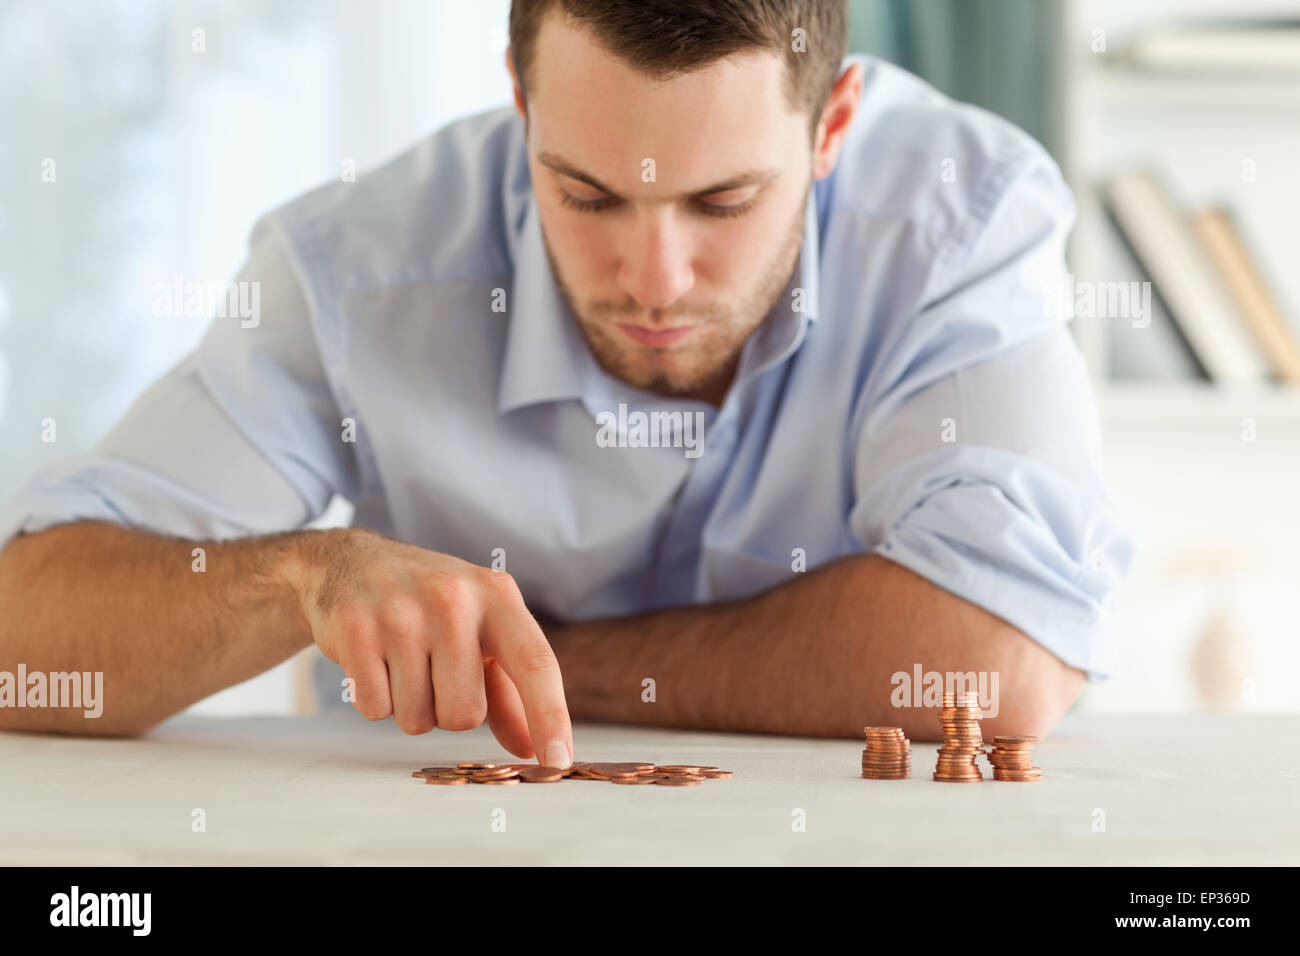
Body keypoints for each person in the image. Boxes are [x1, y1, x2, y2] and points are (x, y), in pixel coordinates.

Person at [0, 0, 1133, 763]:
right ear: (521, 99)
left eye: (723, 202)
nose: (653, 280)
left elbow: (999, 651)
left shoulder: (956, 216)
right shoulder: (362, 267)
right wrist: (305, 574)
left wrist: (524, 667)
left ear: (831, 125)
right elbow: (23, 640)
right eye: (586, 195)